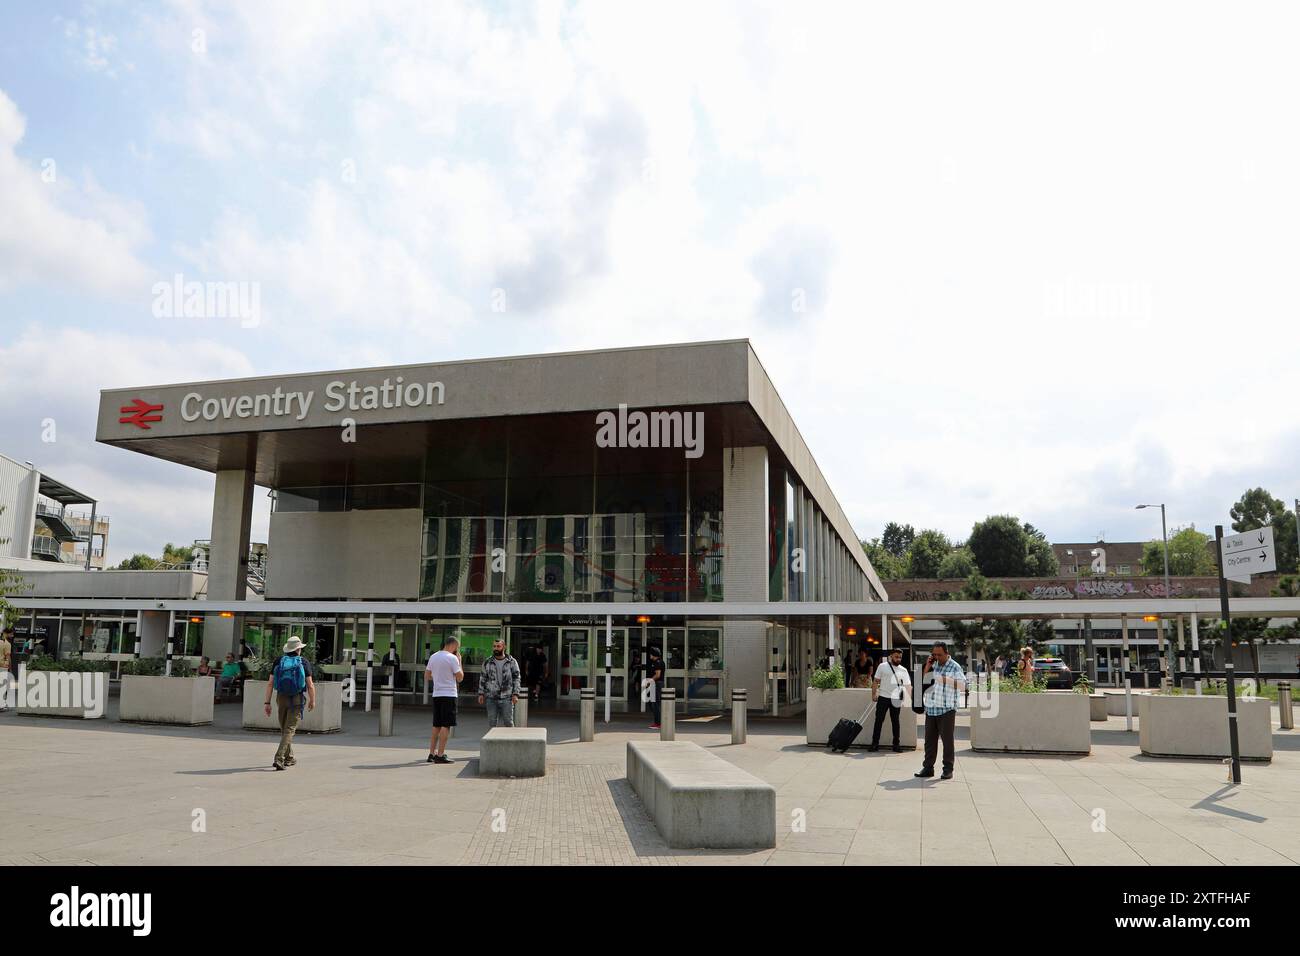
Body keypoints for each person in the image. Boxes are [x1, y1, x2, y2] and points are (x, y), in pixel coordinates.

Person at [263, 636, 316, 771]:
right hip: (297, 699)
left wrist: (267, 702)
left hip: (281, 698)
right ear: (298, 649)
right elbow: (310, 685)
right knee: (289, 730)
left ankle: (290, 758)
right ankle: (279, 758)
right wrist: (312, 700)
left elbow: (270, 684)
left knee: (285, 730)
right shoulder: (303, 662)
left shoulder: (278, 661)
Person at [915, 641, 965, 781]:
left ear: (947, 653)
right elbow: (923, 681)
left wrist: (945, 679)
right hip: (931, 708)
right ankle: (928, 768)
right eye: (934, 654)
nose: (937, 657)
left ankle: (948, 769)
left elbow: (962, 685)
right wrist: (928, 666)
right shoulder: (934, 664)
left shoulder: (954, 666)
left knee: (947, 741)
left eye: (939, 654)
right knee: (929, 741)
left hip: (947, 708)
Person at [425, 635, 464, 764]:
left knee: (436, 724)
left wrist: (438, 678)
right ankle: (440, 754)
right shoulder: (452, 658)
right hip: (449, 694)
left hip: (437, 694)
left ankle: (431, 753)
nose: (456, 650)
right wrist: (460, 662)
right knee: (445, 725)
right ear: (453, 645)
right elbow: (460, 678)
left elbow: (427, 676)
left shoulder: (433, 656)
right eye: (456, 647)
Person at [869, 647, 911, 752]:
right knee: (878, 721)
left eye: (900, 657)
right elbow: (875, 681)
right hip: (883, 697)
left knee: (895, 722)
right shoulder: (882, 666)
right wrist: (874, 694)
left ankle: (896, 745)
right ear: (891, 656)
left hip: (896, 699)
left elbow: (908, 686)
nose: (898, 659)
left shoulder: (903, 670)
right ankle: (875, 744)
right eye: (896, 657)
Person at [478, 637, 520, 728]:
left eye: (498, 646)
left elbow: (516, 678)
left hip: (507, 697)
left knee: (508, 722)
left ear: (504, 647)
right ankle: (492, 742)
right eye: (494, 646)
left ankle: (510, 741)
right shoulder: (487, 662)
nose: (496, 648)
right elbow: (483, 678)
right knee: (492, 723)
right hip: (491, 697)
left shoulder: (512, 662)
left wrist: (515, 694)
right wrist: (481, 693)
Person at [645, 647, 665, 729]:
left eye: (651, 654)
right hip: (656, 684)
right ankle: (657, 721)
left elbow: (658, 675)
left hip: (657, 684)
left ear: (654, 654)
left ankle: (658, 723)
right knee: (651, 702)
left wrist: (649, 681)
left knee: (655, 703)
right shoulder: (657, 662)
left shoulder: (658, 662)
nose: (650, 655)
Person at [0, 624, 11, 711]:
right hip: (3, 666)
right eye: (11, 634)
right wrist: (10, 666)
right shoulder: (7, 643)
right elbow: (8, 656)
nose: (12, 636)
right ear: (6, 634)